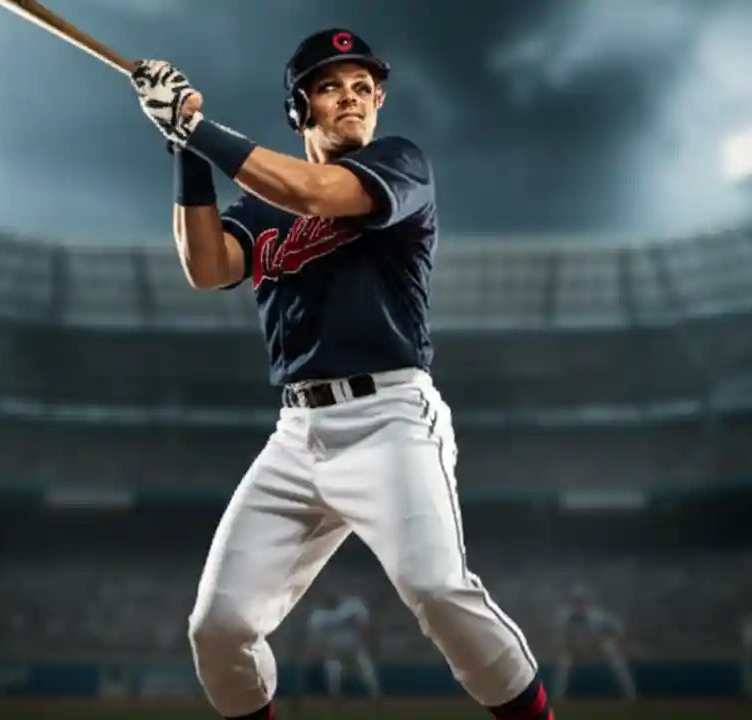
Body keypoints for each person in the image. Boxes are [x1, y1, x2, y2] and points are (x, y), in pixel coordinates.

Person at [129, 28, 553, 720]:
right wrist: (185, 151)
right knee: (219, 630)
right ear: (301, 111)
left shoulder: (400, 164)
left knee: (438, 589)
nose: (352, 100)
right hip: (297, 432)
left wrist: (199, 126)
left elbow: (317, 193)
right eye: (330, 88)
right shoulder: (260, 203)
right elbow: (207, 268)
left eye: (364, 88)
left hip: (390, 419)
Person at [301, 591, 381, 711]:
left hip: (354, 648)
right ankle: (336, 698)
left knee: (366, 669)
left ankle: (375, 697)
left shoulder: (353, 605)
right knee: (333, 669)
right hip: (334, 651)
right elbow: (315, 639)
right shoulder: (319, 615)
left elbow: (364, 627)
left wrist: (368, 642)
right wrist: (318, 652)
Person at [552, 586, 636, 701]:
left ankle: (630, 695)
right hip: (577, 650)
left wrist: (603, 640)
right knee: (564, 662)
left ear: (588, 603)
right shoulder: (566, 617)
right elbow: (563, 639)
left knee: (613, 654)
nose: (579, 605)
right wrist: (576, 648)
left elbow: (618, 629)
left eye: (582, 602)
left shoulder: (599, 616)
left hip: (597, 648)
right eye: (577, 602)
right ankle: (558, 697)